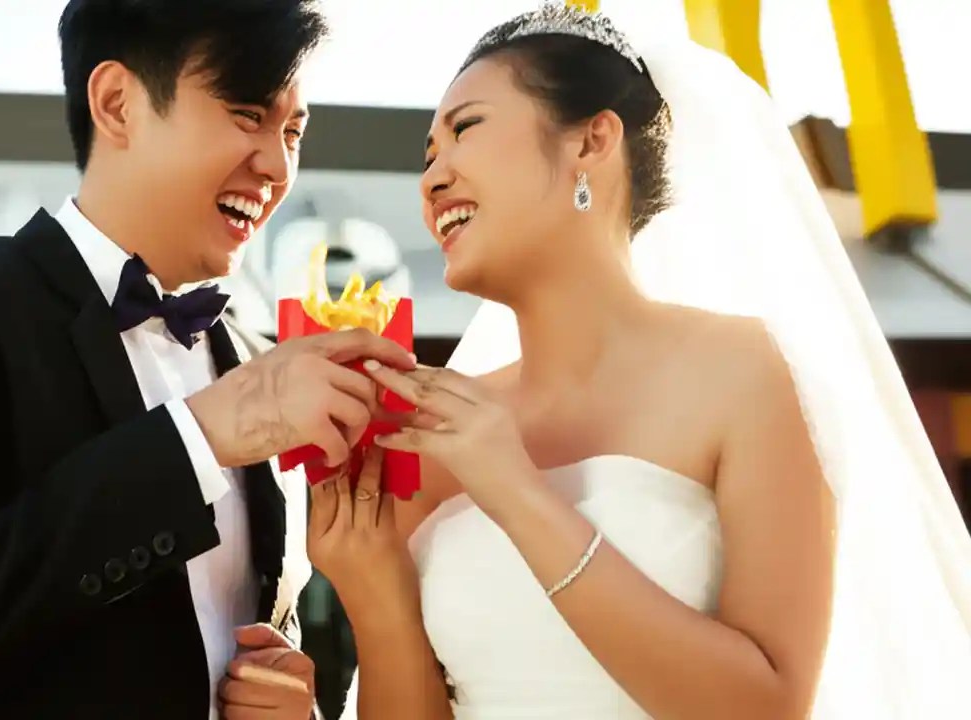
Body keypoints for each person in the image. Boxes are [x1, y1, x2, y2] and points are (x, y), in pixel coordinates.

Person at [310, 4, 971, 719]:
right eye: (427, 154)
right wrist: (369, 583)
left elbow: (769, 706)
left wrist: (517, 492)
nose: (433, 179)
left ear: (593, 140)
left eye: (465, 129)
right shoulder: (437, 428)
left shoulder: (744, 374)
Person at [0, 1, 416, 718]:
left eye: (293, 130)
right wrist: (196, 437)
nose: (277, 163)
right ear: (117, 104)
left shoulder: (257, 360)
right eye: (246, 113)